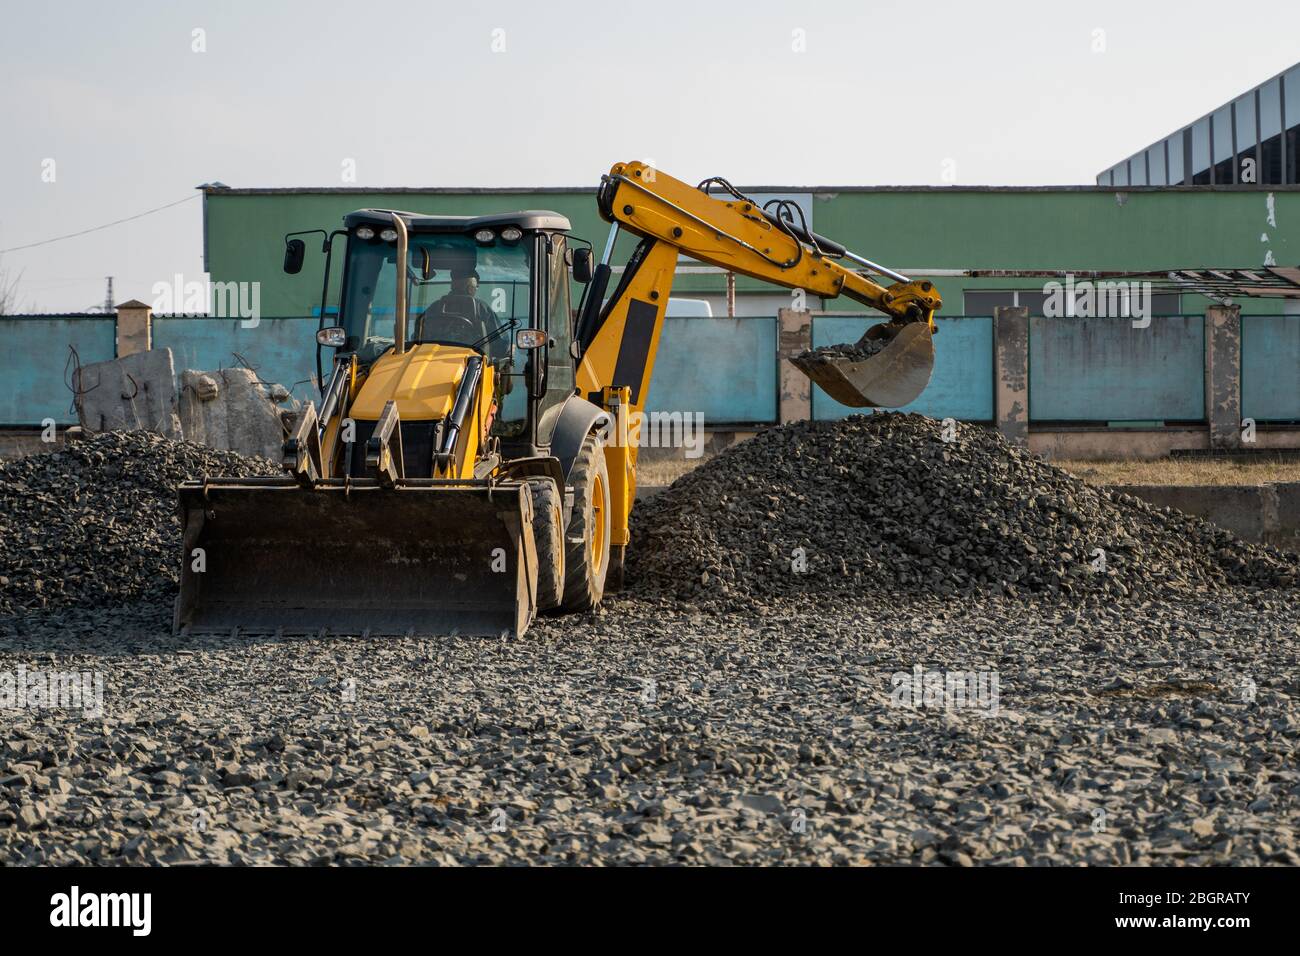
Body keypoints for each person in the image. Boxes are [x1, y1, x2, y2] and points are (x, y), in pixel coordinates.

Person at [416, 269, 500, 350]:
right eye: (476, 286)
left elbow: (417, 338)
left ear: (452, 285)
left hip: (432, 358)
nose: (476, 289)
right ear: (470, 289)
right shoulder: (482, 308)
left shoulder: (434, 307)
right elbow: (500, 345)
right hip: (473, 362)